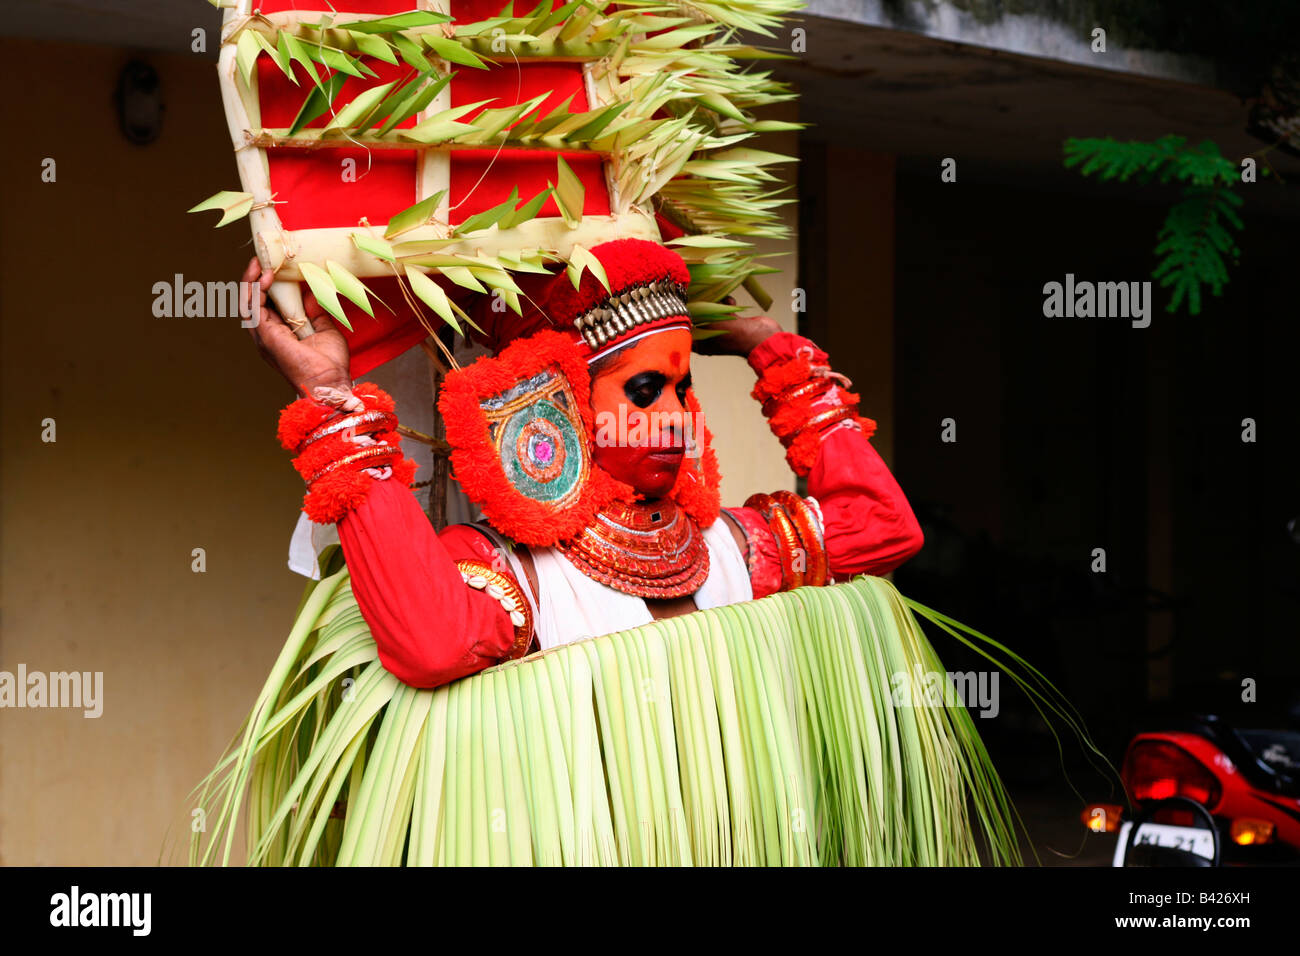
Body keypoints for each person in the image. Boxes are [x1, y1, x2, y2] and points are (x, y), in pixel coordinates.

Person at [241, 237, 924, 689]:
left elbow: (886, 526)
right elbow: (431, 645)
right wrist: (330, 396)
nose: (677, 416)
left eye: (684, 387)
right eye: (646, 389)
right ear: (558, 403)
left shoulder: (737, 550)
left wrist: (767, 344)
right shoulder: (521, 581)